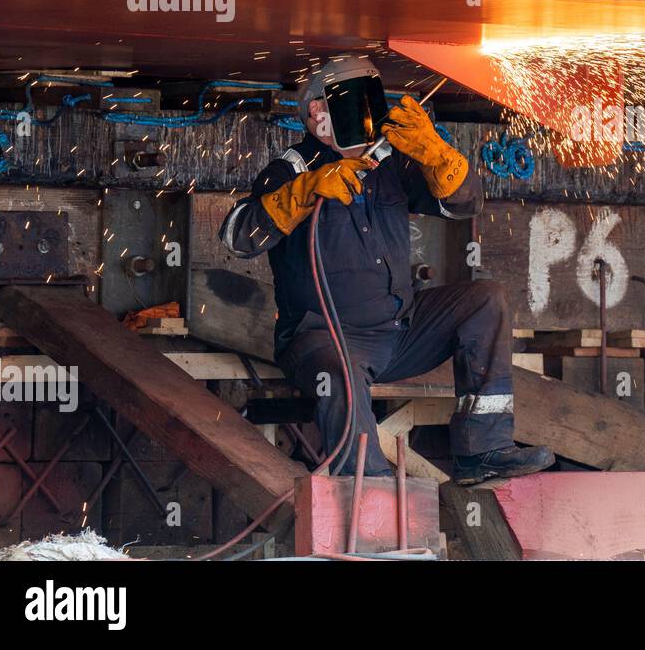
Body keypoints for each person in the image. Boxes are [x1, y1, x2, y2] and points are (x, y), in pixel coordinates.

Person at [219, 55, 554, 484]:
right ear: (317, 113)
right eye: (356, 102)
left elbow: (466, 204)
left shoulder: (391, 164)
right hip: (324, 339)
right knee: (339, 371)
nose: (368, 114)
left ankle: (483, 450)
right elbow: (237, 238)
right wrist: (304, 193)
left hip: (400, 334)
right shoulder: (292, 169)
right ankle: (368, 491)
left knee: (485, 300)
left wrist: (436, 156)